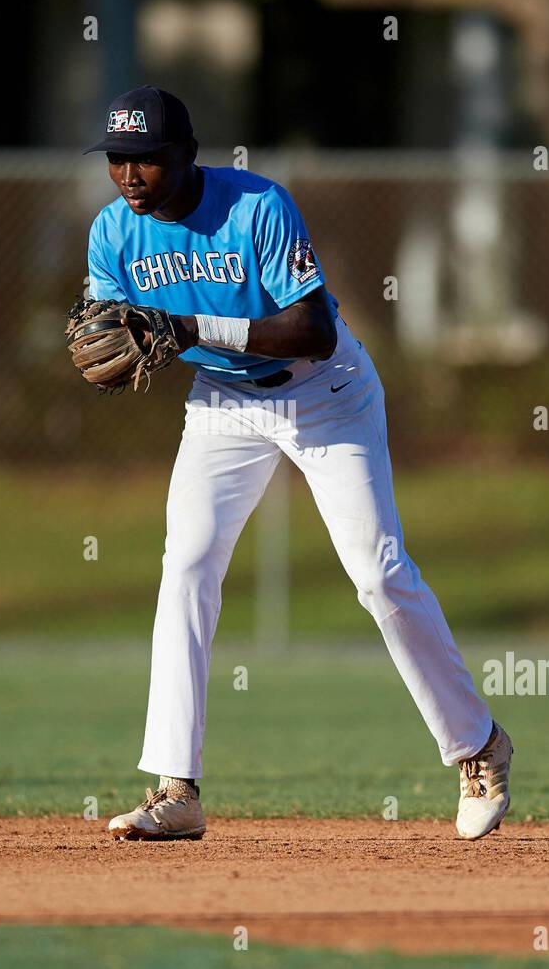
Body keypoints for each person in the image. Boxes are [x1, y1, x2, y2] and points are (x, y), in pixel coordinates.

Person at [84, 86, 512, 843]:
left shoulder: (257, 207)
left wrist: (184, 324)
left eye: (146, 158)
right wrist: (116, 350)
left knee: (379, 575)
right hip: (223, 401)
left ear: (186, 154)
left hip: (327, 394)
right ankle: (175, 789)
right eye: (118, 159)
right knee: (186, 563)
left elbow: (312, 330)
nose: (129, 175)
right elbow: (110, 332)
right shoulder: (113, 233)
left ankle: (478, 747)